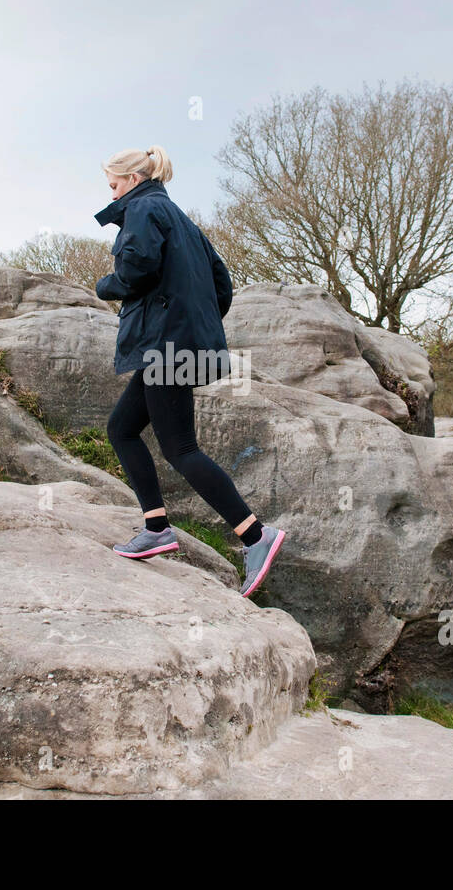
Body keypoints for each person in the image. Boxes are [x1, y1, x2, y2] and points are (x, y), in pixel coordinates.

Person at [94, 145, 286, 598]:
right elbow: (222, 283)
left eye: (114, 184)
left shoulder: (142, 209)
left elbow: (136, 269)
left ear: (133, 180)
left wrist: (106, 285)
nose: (113, 192)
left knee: (181, 448)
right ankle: (157, 525)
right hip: (184, 342)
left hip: (165, 346)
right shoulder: (183, 220)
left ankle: (257, 536)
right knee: (122, 428)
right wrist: (197, 325)